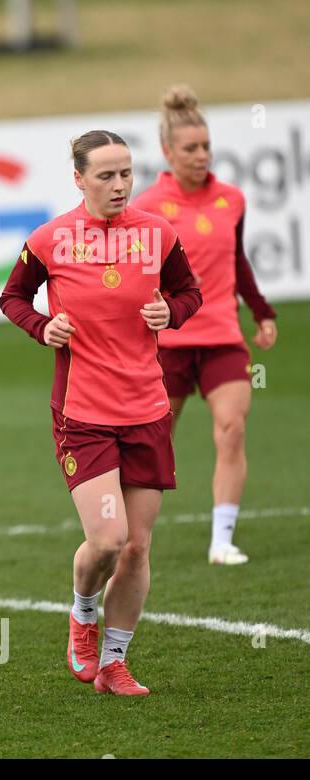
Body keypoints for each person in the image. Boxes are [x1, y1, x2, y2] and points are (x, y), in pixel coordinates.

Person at [0, 130, 202, 696]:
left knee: (138, 546)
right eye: (106, 175)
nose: (118, 185)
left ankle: (114, 664)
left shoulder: (158, 233)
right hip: (83, 412)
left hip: (147, 408)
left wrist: (172, 311)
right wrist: (44, 327)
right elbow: (12, 298)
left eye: (126, 173)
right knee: (109, 538)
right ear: (79, 180)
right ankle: (82, 614)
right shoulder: (50, 238)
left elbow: (190, 292)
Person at [131, 85, 278, 566]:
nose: (201, 155)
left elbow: (236, 259)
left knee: (232, 429)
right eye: (190, 148)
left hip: (221, 337)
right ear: (168, 152)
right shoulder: (148, 206)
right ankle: (131, 538)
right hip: (169, 340)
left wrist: (261, 311)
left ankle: (222, 540)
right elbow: (136, 275)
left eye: (206, 146)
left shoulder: (231, 199)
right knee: (154, 443)